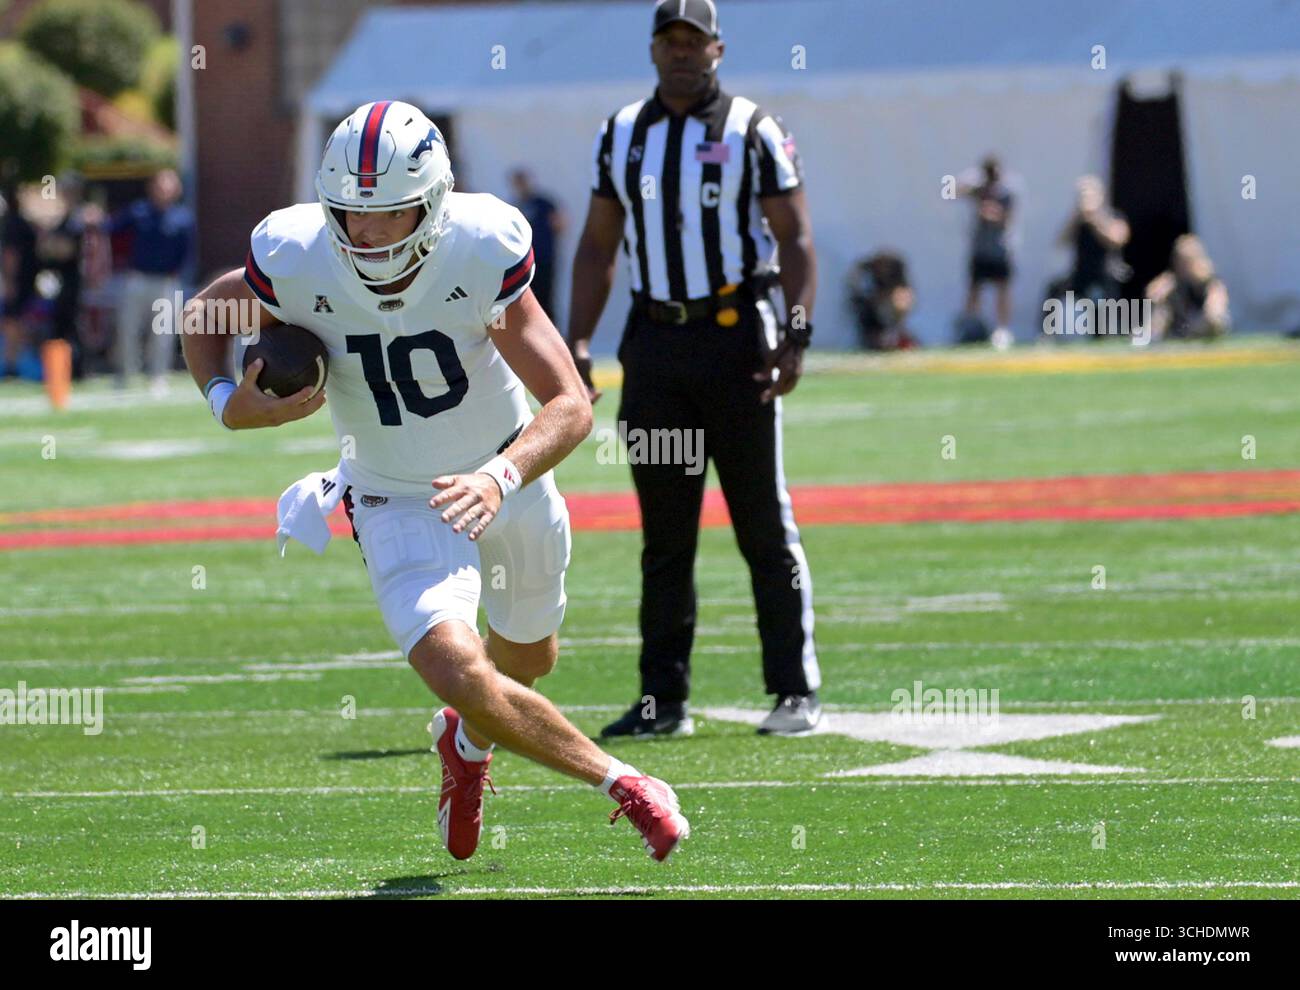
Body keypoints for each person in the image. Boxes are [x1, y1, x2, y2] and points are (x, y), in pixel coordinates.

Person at [180, 101, 689, 864]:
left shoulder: (479, 248)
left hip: (503, 478)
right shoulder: (296, 252)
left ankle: (466, 745)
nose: (369, 234)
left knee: (527, 662)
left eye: (390, 214)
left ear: (435, 201)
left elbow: (571, 406)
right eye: (351, 215)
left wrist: (500, 474)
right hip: (391, 495)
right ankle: (625, 785)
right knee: (456, 668)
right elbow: (203, 314)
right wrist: (228, 405)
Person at [568, 0, 823, 739]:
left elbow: (797, 238)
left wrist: (797, 333)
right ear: (653, 50)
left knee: (762, 524)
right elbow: (596, 247)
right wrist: (577, 342)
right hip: (655, 345)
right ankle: (662, 701)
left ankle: (794, 690)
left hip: (736, 336)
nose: (682, 54)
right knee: (665, 533)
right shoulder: (621, 134)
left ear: (717, 49)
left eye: (695, 42)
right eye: (669, 41)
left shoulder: (754, 129)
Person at [103, 168, 194, 393]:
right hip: (137, 279)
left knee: (162, 334)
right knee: (128, 328)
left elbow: (188, 253)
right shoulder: (138, 211)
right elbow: (110, 229)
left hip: (166, 283)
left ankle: (158, 377)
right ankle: (125, 375)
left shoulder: (183, 218)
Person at [1043, 175, 1131, 338]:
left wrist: (1095, 220)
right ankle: (1047, 334)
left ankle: (1110, 334)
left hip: (1105, 274)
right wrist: (1075, 218)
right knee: (1054, 289)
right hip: (1081, 274)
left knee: (1101, 319)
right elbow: (1061, 241)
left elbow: (1117, 239)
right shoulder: (1077, 220)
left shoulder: (1113, 216)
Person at [958, 155, 1015, 348]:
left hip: (999, 249)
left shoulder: (1006, 193)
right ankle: (970, 326)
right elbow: (948, 192)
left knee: (1002, 289)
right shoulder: (978, 191)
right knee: (974, 289)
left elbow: (1006, 219)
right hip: (980, 249)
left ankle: (1002, 329)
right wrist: (967, 182)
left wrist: (990, 212)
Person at [1145, 234, 1230, 341]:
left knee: (1214, 319)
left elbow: (1215, 311)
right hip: (1180, 326)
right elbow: (1153, 297)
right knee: (1162, 310)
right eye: (1179, 261)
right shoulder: (1174, 281)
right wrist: (1158, 293)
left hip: (1201, 325)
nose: (1182, 265)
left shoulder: (1210, 282)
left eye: (1186, 261)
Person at [508, 168, 565, 319]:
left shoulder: (543, 203)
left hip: (545, 259)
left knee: (547, 300)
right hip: (525, 263)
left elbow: (560, 224)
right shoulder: (514, 207)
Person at [848, 250, 916, 351]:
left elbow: (905, 295)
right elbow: (853, 280)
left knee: (900, 302)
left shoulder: (898, 277)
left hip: (890, 314)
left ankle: (894, 337)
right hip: (873, 315)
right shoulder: (867, 271)